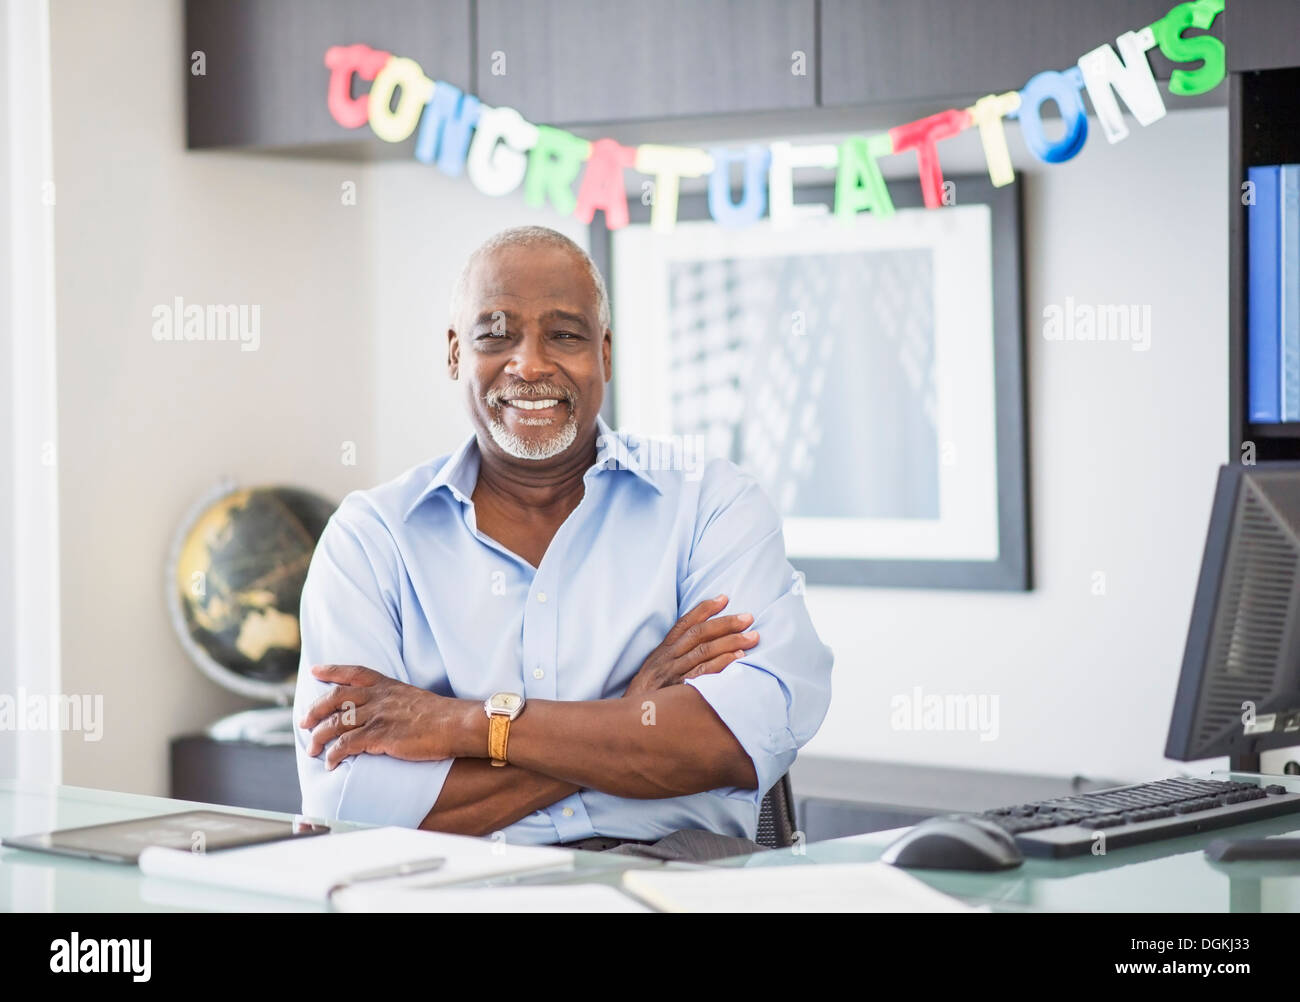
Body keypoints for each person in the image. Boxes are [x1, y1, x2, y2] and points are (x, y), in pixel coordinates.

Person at [294, 224, 833, 862]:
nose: (529, 364)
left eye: (564, 334)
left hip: (676, 880)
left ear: (603, 352)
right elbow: (353, 805)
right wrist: (629, 712)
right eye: (495, 335)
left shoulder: (710, 502)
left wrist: (461, 723)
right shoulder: (372, 539)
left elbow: (741, 739)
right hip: (447, 892)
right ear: (453, 354)